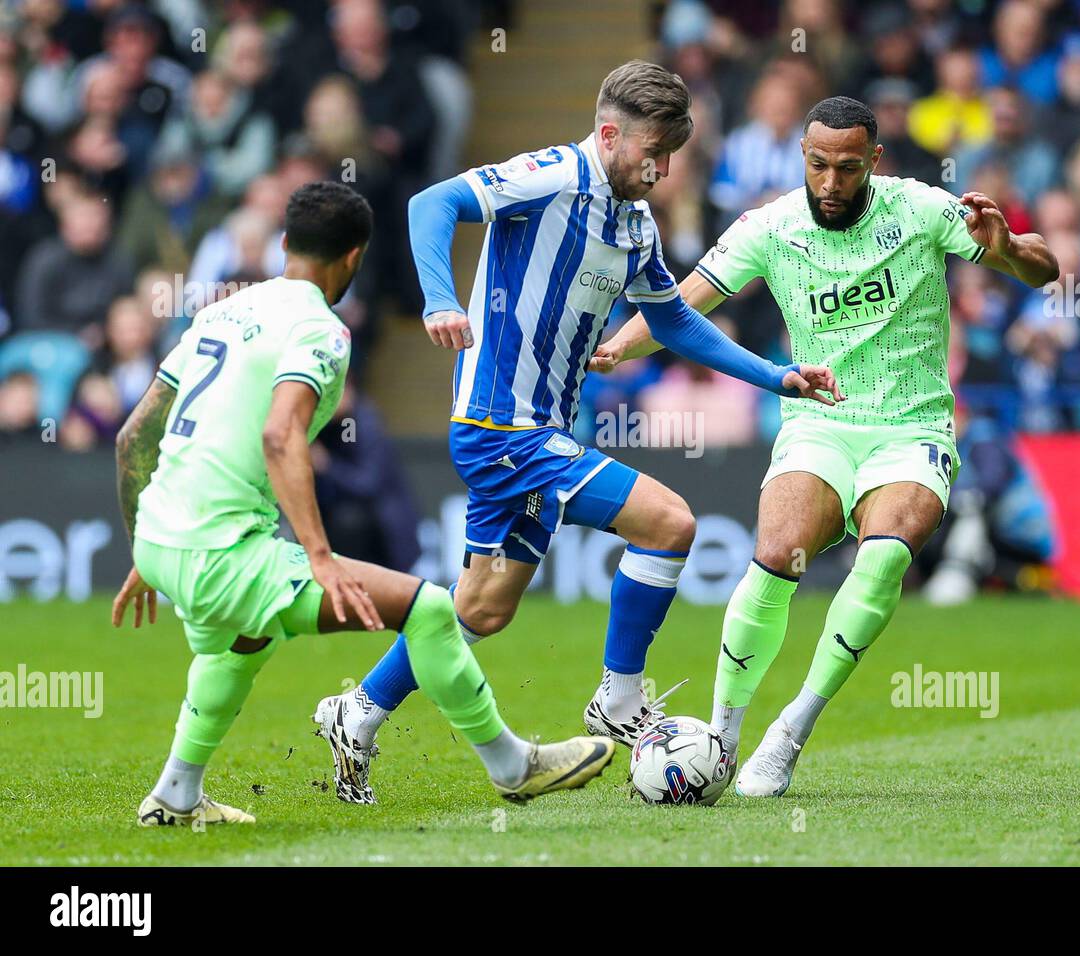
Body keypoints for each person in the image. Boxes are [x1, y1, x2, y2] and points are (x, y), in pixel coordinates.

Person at [314, 60, 841, 804]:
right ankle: (619, 699)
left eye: (671, 157)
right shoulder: (551, 174)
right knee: (668, 523)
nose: (661, 170)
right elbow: (432, 204)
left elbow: (671, 321)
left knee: (480, 610)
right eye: (651, 152)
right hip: (503, 425)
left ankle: (356, 712)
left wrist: (776, 375)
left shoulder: (634, 224)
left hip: (535, 429)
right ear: (607, 134)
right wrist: (439, 299)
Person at [593, 96, 1059, 797]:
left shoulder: (919, 209)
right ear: (801, 159)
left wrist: (1009, 248)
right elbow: (680, 305)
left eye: (847, 167)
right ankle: (722, 737)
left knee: (881, 561)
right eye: (818, 166)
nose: (832, 183)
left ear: (873, 160)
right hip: (819, 422)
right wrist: (613, 349)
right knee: (776, 554)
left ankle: (790, 733)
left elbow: (1044, 271)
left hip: (912, 427)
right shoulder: (769, 226)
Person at [111, 182, 616, 825]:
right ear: (354, 258)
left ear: (286, 242)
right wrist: (320, 558)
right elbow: (279, 434)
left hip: (162, 539)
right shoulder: (322, 330)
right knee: (431, 609)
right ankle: (512, 764)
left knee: (239, 642)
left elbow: (134, 435)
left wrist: (146, 544)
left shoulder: (221, 312)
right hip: (221, 552)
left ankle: (176, 796)